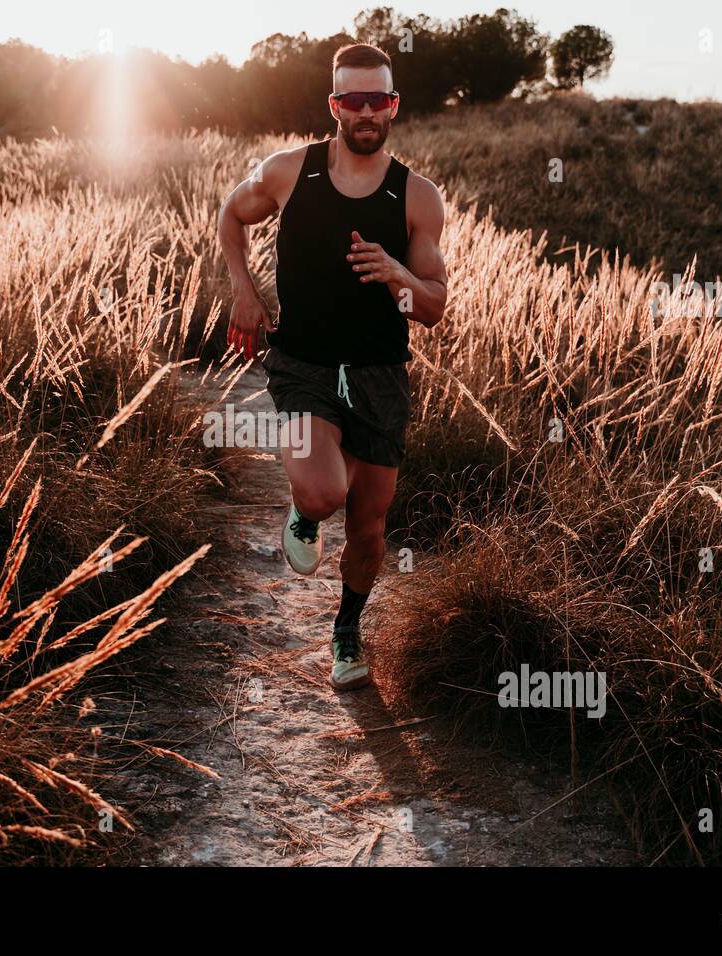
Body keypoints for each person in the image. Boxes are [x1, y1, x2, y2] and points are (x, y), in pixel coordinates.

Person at [216, 42, 448, 690]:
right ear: (334, 104)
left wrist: (399, 275)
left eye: (379, 99)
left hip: (379, 375)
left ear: (394, 106)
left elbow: (431, 308)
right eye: (354, 99)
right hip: (303, 365)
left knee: (370, 532)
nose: (366, 111)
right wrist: (242, 287)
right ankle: (305, 511)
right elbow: (231, 216)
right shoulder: (290, 173)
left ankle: (347, 628)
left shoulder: (416, 198)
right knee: (323, 491)